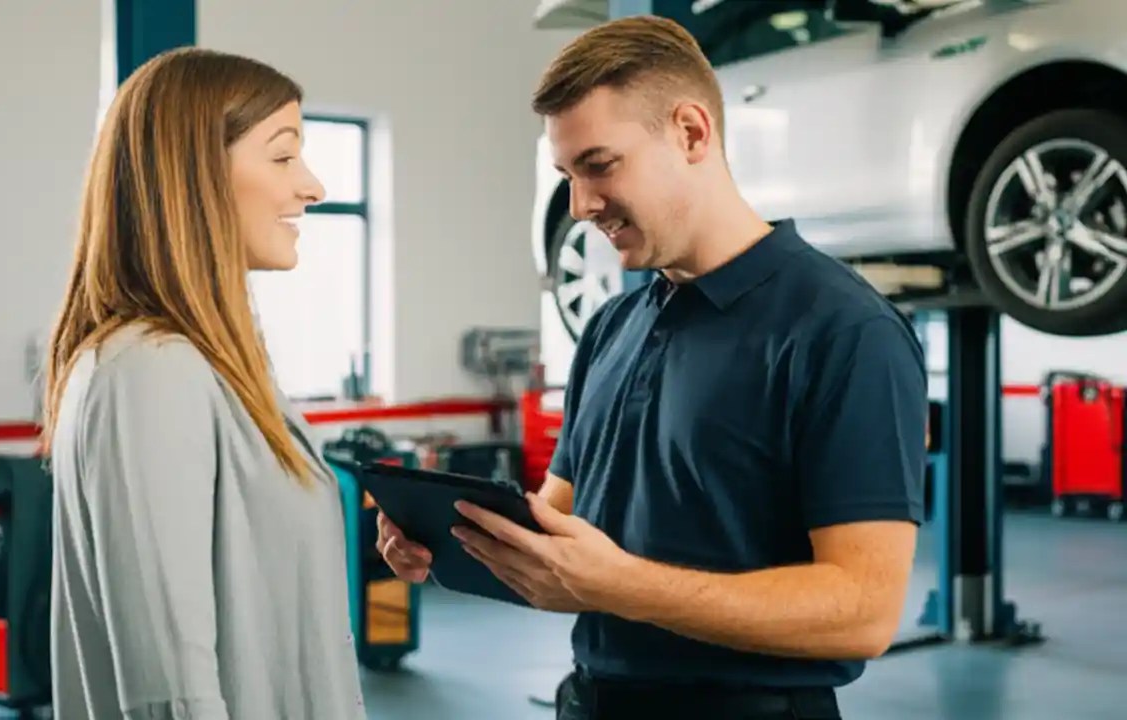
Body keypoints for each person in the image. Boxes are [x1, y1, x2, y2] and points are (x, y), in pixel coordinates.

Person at [377, 15, 926, 720]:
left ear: (692, 133)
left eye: (601, 166)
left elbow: (862, 612)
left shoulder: (844, 331)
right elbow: (561, 535)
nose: (580, 206)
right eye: (567, 175)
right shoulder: (612, 327)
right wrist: (449, 543)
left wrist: (621, 586)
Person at [41, 48, 366, 720]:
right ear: (195, 174)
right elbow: (170, 693)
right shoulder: (149, 371)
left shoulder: (209, 362)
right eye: (283, 157)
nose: (311, 186)